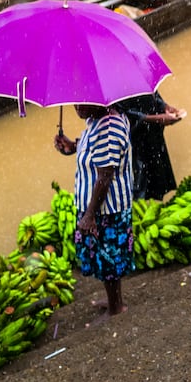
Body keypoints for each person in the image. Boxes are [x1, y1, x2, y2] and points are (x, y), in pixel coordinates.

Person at [53, 104, 134, 316]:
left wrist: (90, 215)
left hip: (106, 209)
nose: (77, 107)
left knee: (108, 259)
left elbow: (105, 176)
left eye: (82, 103)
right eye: (75, 102)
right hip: (99, 206)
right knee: (103, 256)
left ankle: (116, 308)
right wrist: (73, 146)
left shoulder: (109, 127)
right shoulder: (96, 120)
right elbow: (92, 149)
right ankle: (112, 300)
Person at [117, 91, 184, 201]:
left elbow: (152, 93)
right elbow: (125, 113)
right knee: (139, 183)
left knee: (156, 178)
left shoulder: (139, 76)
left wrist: (165, 107)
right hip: (136, 141)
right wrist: (154, 118)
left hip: (152, 137)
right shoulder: (116, 87)